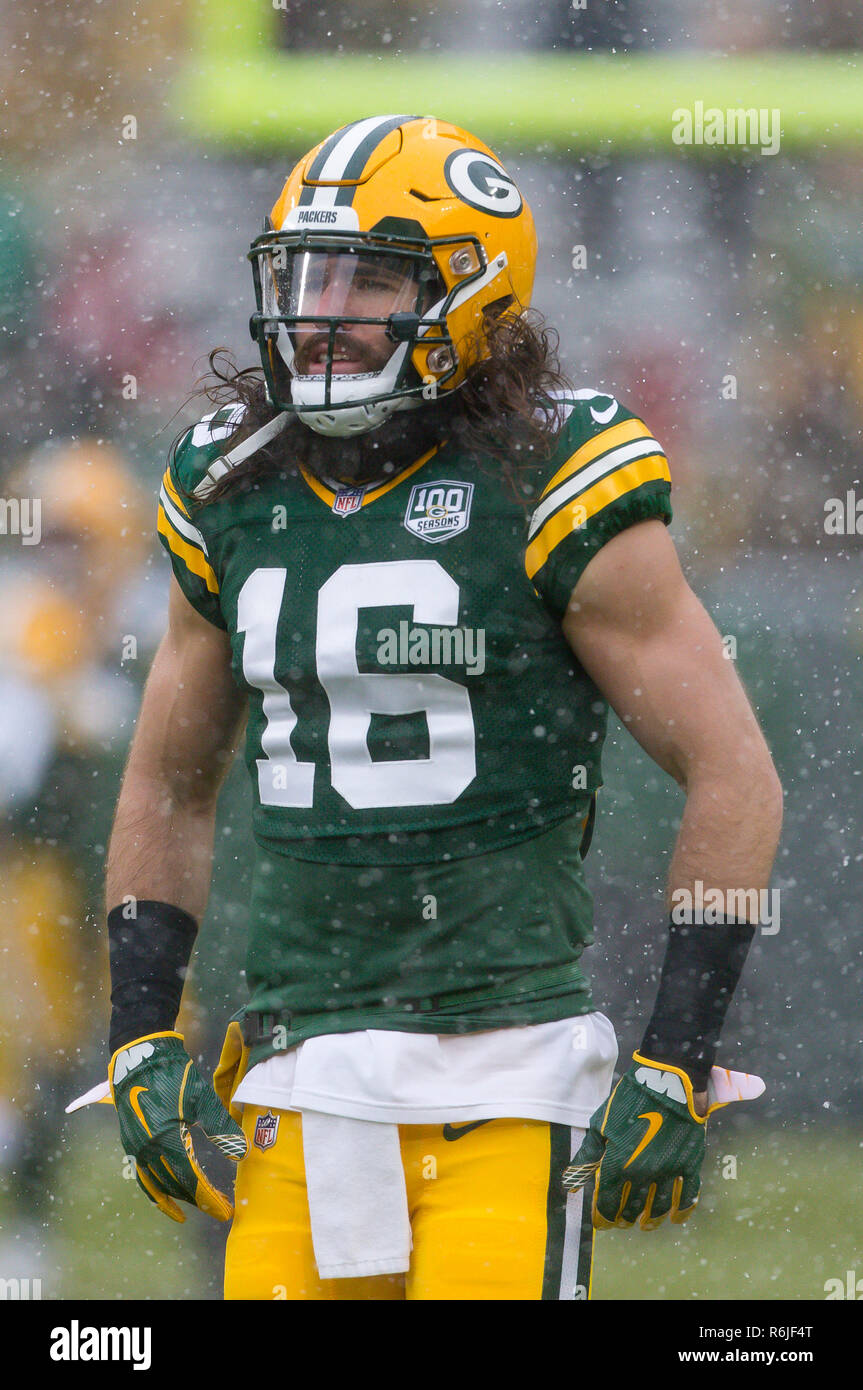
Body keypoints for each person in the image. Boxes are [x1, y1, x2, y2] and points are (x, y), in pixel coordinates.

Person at [102, 115, 782, 1301]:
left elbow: (735, 772)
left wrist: (679, 1051)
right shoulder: (229, 482)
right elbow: (168, 779)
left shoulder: (553, 472)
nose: (321, 308)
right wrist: (140, 1025)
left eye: (369, 276)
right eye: (306, 271)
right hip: (295, 1073)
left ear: (472, 293)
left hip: (503, 1073)